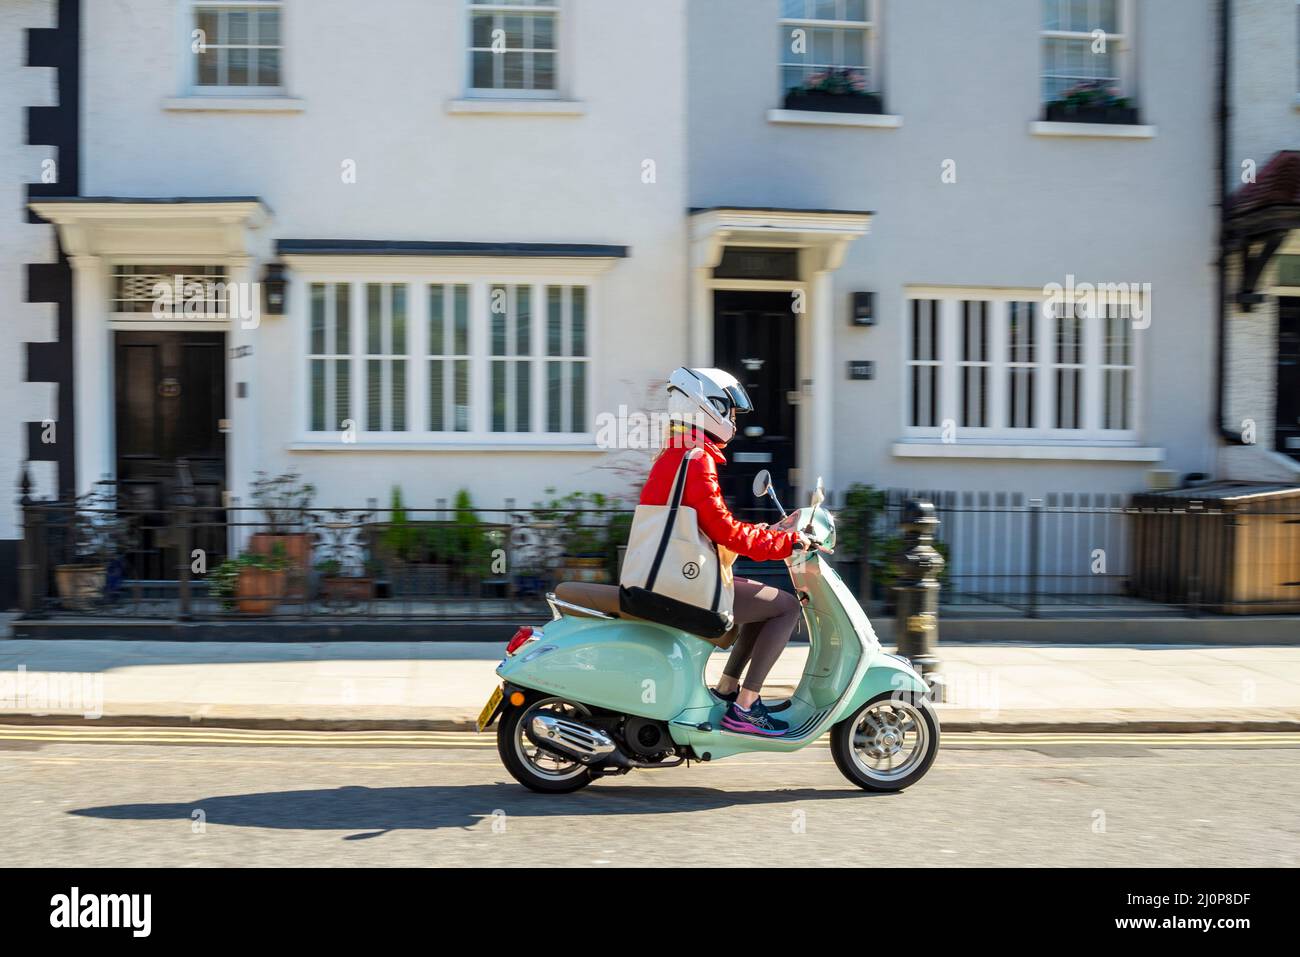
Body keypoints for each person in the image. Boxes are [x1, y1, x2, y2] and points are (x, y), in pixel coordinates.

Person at [636, 367, 813, 737]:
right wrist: (786, 542)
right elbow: (724, 532)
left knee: (764, 605)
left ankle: (729, 690)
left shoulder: (674, 452)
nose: (732, 419)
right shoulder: (696, 458)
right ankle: (746, 707)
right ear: (706, 405)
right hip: (685, 587)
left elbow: (710, 527)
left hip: (672, 577)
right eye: (728, 409)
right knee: (785, 607)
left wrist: (766, 533)